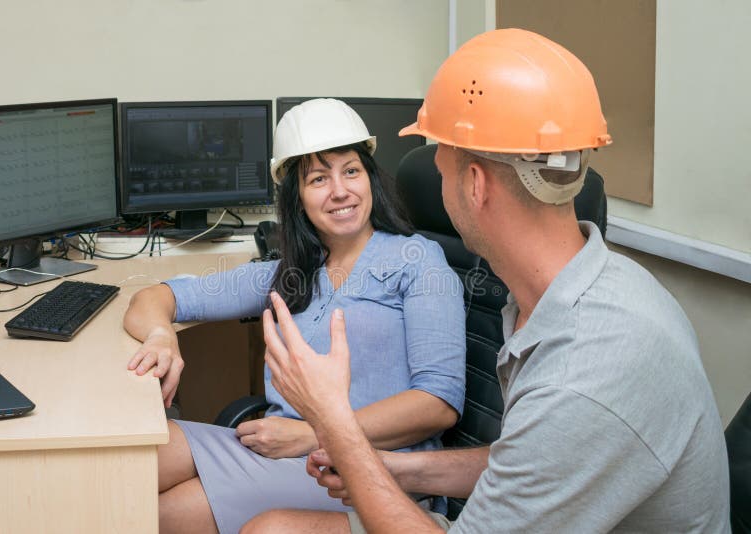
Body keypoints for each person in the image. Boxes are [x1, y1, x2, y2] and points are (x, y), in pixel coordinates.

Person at [244, 29, 731, 533]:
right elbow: (529, 459)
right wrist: (395, 467)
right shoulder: (577, 292)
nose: (430, 171)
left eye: (440, 159)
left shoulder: (588, 368)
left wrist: (332, 421)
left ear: (474, 184)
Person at [122, 97, 467, 534]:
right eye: (319, 178)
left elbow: (438, 405)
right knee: (133, 454)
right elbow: (156, 297)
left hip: (363, 466)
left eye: (351, 171)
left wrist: (315, 434)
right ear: (296, 198)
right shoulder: (289, 272)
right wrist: (160, 336)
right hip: (281, 448)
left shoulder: (417, 261)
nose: (340, 190)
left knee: (156, 515)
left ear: (370, 179)